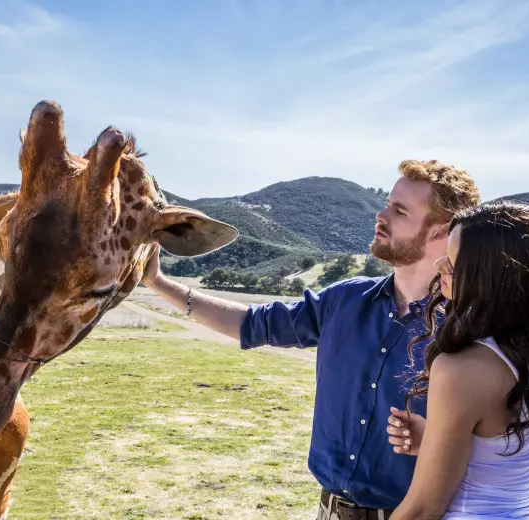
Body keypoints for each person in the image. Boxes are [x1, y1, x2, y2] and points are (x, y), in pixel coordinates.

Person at [140, 159, 481, 518]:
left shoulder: (471, 329)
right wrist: (159, 284)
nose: (380, 216)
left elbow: (525, 443)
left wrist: (441, 443)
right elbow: (252, 322)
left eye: (399, 211)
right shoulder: (344, 300)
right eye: (387, 205)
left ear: (441, 232)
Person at [385, 200, 529, 520]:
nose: (439, 267)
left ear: (492, 277)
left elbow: (421, 510)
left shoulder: (461, 370)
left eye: (452, 263)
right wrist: (437, 439)